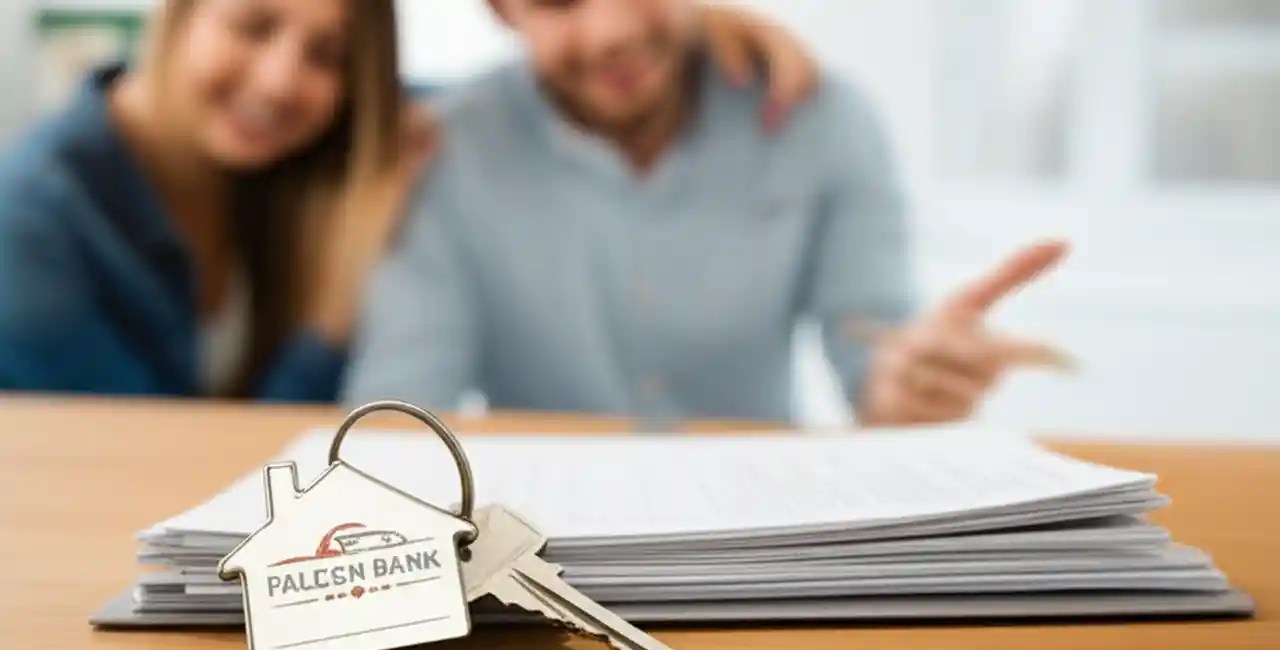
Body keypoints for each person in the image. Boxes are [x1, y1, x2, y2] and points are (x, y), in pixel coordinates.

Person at [0, 0, 814, 402]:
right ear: (178, 16)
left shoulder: (293, 151)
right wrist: (331, 319)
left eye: (328, 55)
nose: (280, 82)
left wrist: (680, 35)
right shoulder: (32, 219)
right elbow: (173, 486)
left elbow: (497, 112)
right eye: (252, 26)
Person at [346, 0, 1071, 425]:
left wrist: (911, 384)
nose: (610, 31)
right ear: (500, 11)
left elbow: (873, 364)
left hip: (765, 546)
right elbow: (401, 411)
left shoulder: (821, 117)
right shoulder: (441, 151)